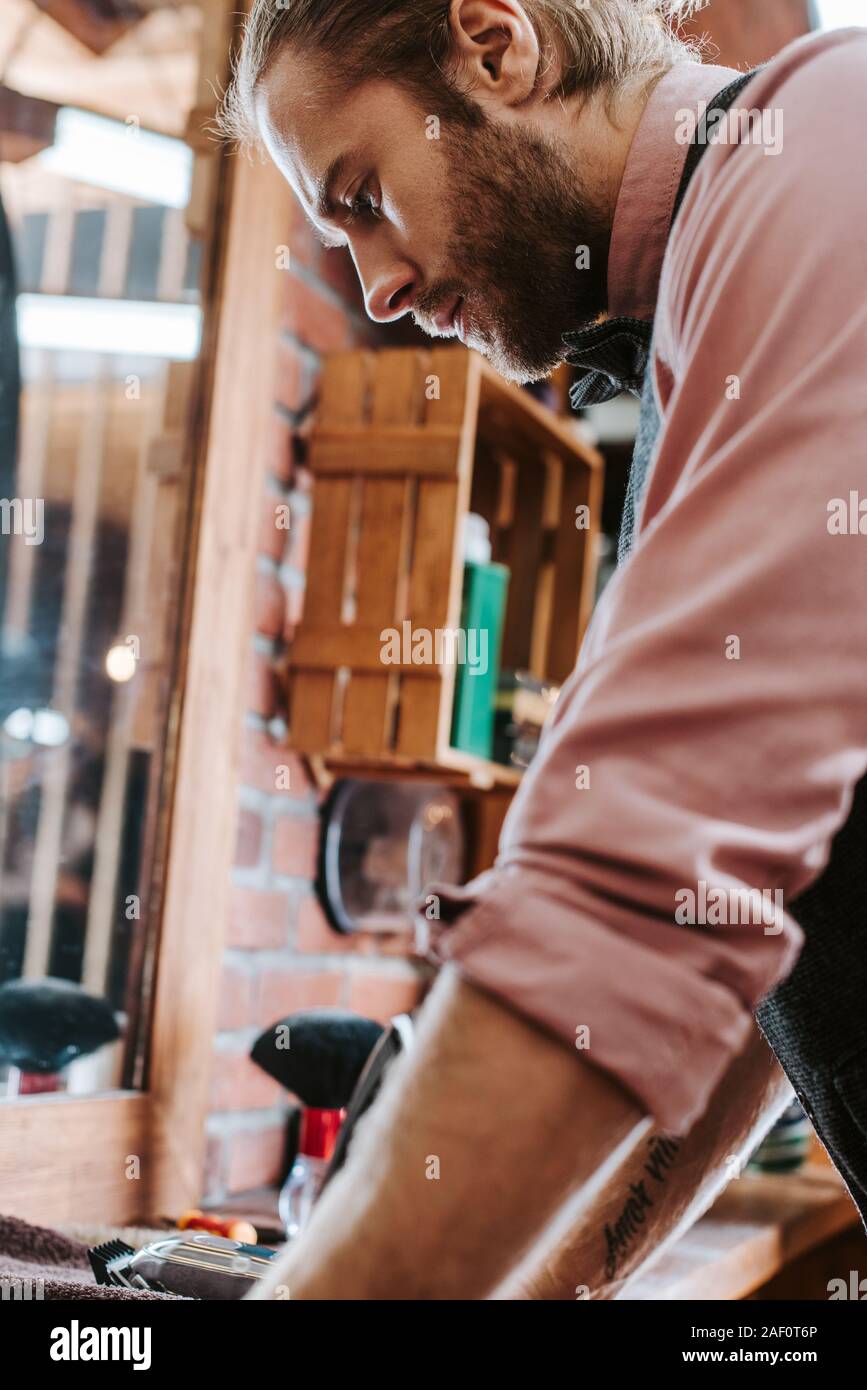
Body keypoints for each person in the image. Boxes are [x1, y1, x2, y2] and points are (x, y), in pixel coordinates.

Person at [218, 0, 867, 1299]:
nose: (380, 287)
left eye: (362, 196)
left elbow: (636, 882)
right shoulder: (695, 340)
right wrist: (564, 1276)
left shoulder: (826, 151)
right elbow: (746, 911)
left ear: (494, 44)